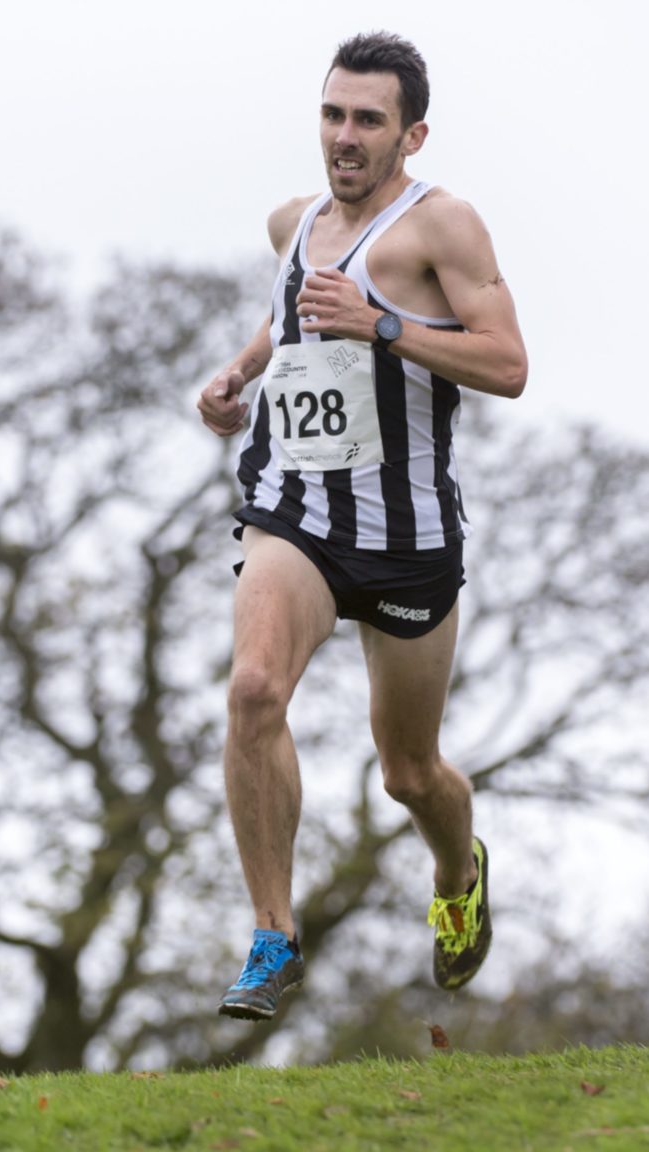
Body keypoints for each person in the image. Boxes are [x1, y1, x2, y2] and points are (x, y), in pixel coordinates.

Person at [197, 31, 527, 1021]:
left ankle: (457, 877)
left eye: (368, 120)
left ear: (410, 134)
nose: (345, 137)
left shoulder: (444, 229)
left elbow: (508, 364)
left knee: (410, 770)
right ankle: (271, 936)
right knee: (253, 691)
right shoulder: (292, 224)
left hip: (407, 534)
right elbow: (293, 314)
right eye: (334, 114)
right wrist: (239, 377)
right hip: (294, 507)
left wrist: (383, 324)